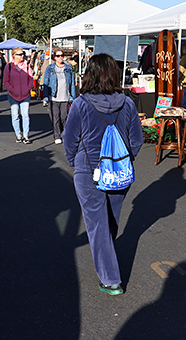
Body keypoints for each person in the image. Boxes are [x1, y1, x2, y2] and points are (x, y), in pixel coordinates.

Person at [63, 54, 143, 296]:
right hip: (119, 169)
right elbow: (137, 140)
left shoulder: (81, 104)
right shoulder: (128, 103)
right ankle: (107, 259)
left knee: (97, 223)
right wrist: (124, 161)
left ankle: (110, 278)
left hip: (89, 170)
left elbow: (69, 140)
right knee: (110, 218)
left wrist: (74, 163)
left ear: (90, 74)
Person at [42, 47, 76, 144]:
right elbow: (46, 82)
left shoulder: (68, 68)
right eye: (58, 56)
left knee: (64, 117)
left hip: (65, 96)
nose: (60, 57)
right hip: (53, 96)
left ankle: (64, 134)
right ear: (54, 57)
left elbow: (72, 83)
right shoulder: (50, 68)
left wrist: (73, 96)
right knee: (55, 117)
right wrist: (45, 96)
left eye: (61, 55)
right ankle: (57, 135)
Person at [3, 47, 33, 144]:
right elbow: (5, 81)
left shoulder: (27, 65)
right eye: (19, 54)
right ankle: (18, 134)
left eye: (22, 53)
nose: (22, 56)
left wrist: (28, 87)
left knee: (25, 115)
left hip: (25, 94)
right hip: (13, 95)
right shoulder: (9, 67)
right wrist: (12, 89)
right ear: (14, 55)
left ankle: (26, 135)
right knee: (15, 115)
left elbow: (31, 78)